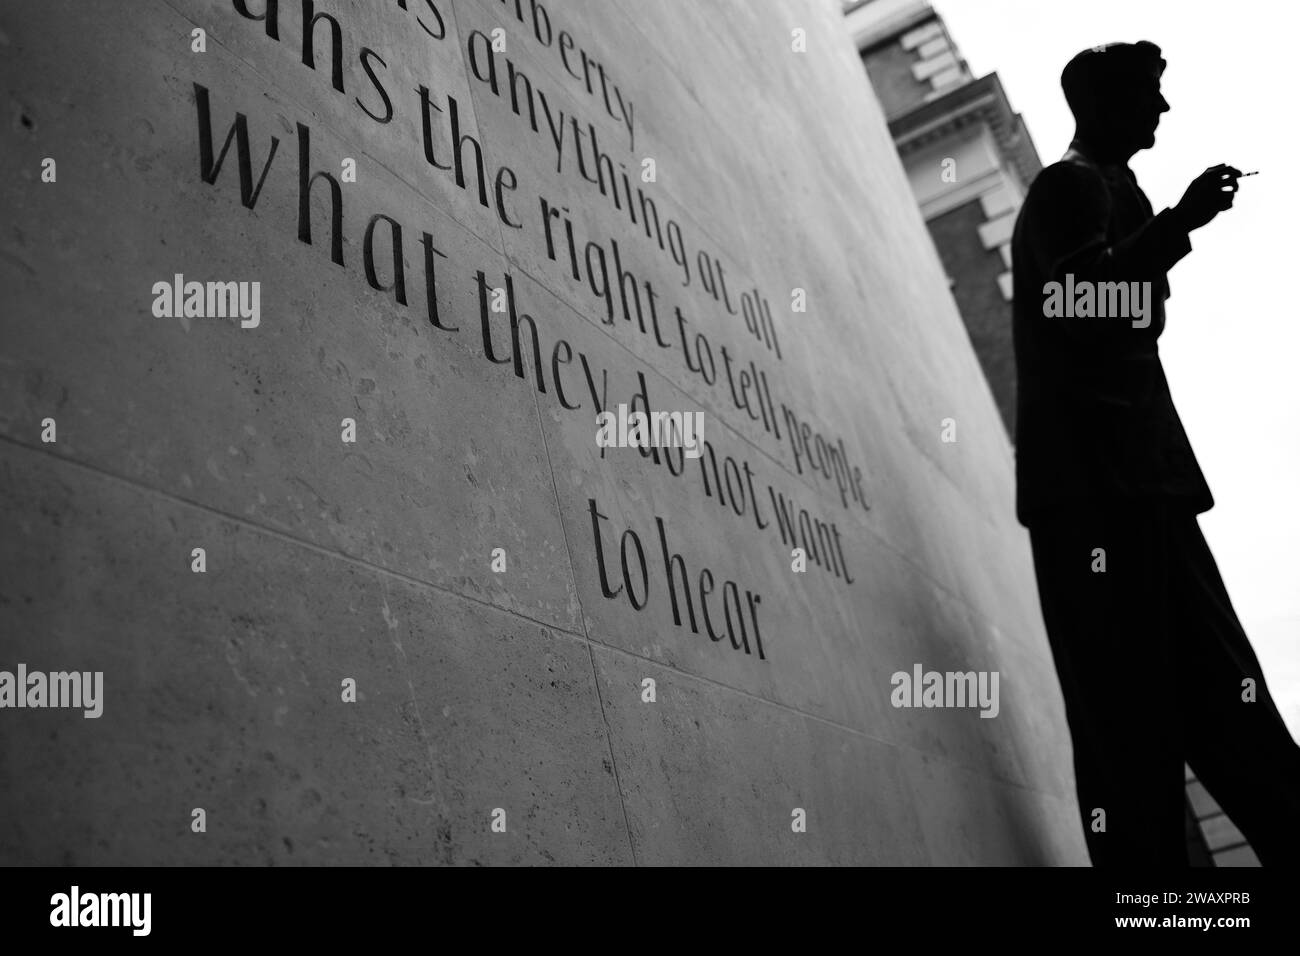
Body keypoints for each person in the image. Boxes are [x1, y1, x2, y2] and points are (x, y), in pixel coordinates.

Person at [1010, 40, 1300, 866]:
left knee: (1222, 706)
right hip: (1102, 498)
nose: (1163, 109)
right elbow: (1079, 302)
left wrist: (1167, 221)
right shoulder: (1068, 186)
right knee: (1133, 732)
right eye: (1148, 93)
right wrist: (1182, 222)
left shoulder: (1113, 191)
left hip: (1144, 489)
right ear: (1101, 102)